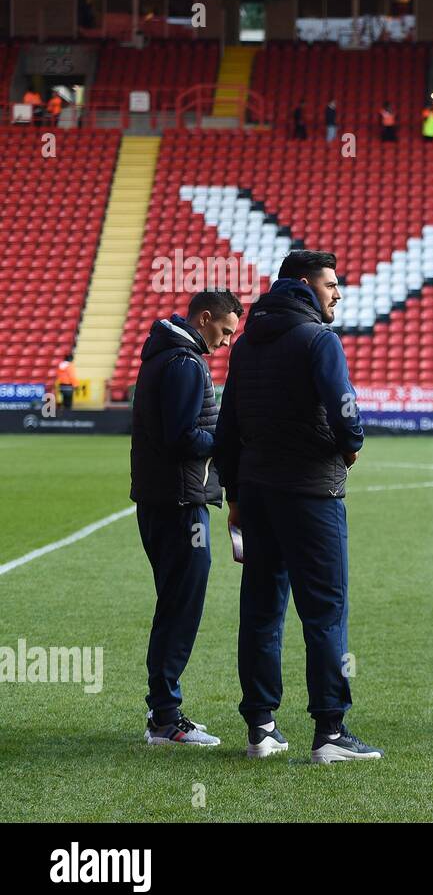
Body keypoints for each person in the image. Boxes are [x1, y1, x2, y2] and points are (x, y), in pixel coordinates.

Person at [213, 250, 379, 764]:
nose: (337, 294)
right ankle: (330, 732)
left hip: (258, 493)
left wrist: (236, 495)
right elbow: (343, 405)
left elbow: (228, 426)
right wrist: (353, 443)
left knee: (261, 610)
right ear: (306, 283)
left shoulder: (245, 346)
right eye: (331, 284)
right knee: (325, 613)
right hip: (311, 494)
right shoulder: (319, 340)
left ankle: (261, 729)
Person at [131, 291, 243, 746]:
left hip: (163, 498)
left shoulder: (168, 356)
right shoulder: (183, 363)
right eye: (225, 331)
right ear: (204, 318)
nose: (226, 343)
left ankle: (163, 710)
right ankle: (165, 717)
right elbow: (180, 437)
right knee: (181, 606)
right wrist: (226, 439)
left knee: (174, 603)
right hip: (180, 502)